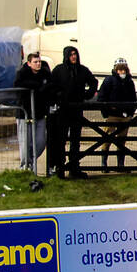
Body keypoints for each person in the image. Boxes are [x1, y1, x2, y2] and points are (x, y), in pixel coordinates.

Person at [47, 45, 97, 179]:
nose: (73, 57)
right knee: (61, 140)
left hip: (77, 109)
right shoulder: (59, 70)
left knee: (75, 140)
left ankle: (74, 168)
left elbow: (93, 82)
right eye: (71, 54)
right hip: (63, 110)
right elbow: (51, 87)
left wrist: (87, 94)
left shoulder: (82, 70)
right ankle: (60, 168)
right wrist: (58, 96)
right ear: (66, 56)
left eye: (75, 54)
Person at [95, 57, 137, 170]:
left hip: (125, 117)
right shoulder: (109, 80)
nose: (122, 72)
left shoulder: (129, 82)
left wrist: (130, 113)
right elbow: (101, 98)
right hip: (112, 116)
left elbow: (133, 99)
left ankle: (120, 164)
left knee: (122, 140)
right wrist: (106, 113)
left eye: (124, 69)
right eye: (120, 69)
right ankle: (104, 163)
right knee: (108, 139)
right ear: (115, 69)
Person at [14, 52, 52, 172]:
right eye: (35, 62)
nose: (38, 64)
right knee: (25, 142)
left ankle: (30, 160)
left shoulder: (45, 73)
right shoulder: (22, 73)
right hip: (25, 114)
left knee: (40, 142)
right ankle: (25, 167)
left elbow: (50, 85)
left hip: (40, 113)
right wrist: (37, 86)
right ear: (29, 63)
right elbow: (18, 86)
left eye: (39, 61)